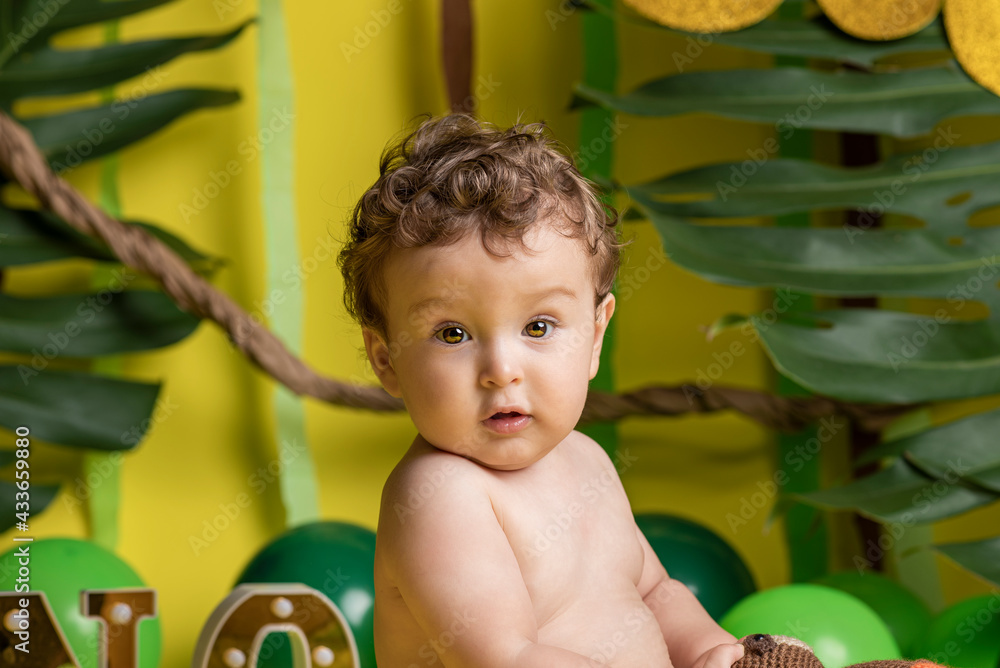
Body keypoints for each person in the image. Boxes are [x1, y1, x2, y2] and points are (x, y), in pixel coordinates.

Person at [337, 113, 744, 668]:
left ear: (596, 336)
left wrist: (709, 650)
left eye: (538, 327)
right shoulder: (440, 495)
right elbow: (506, 657)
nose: (502, 370)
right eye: (452, 334)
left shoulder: (587, 460)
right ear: (388, 361)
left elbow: (655, 593)